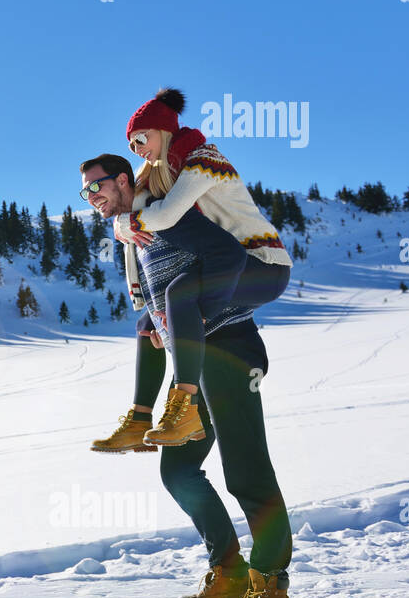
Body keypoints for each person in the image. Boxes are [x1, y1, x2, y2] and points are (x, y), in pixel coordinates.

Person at [79, 153, 297, 598]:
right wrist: (156, 326)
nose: (92, 197)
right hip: (196, 365)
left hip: (232, 351)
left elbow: (230, 259)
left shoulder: (163, 216)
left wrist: (201, 312)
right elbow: (160, 305)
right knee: (177, 469)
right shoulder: (135, 234)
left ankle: (273, 591)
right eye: (85, 192)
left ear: (122, 179)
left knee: (247, 472)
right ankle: (229, 573)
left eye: (97, 186)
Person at [91, 88, 292, 450]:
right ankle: (139, 420)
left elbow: (166, 216)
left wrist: (128, 224)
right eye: (131, 144)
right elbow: (137, 208)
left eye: (141, 138)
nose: (137, 148)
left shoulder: (202, 159)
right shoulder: (162, 172)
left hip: (264, 264)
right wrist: (122, 225)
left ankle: (186, 408)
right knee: (147, 324)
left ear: (163, 130)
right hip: (229, 262)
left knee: (179, 294)